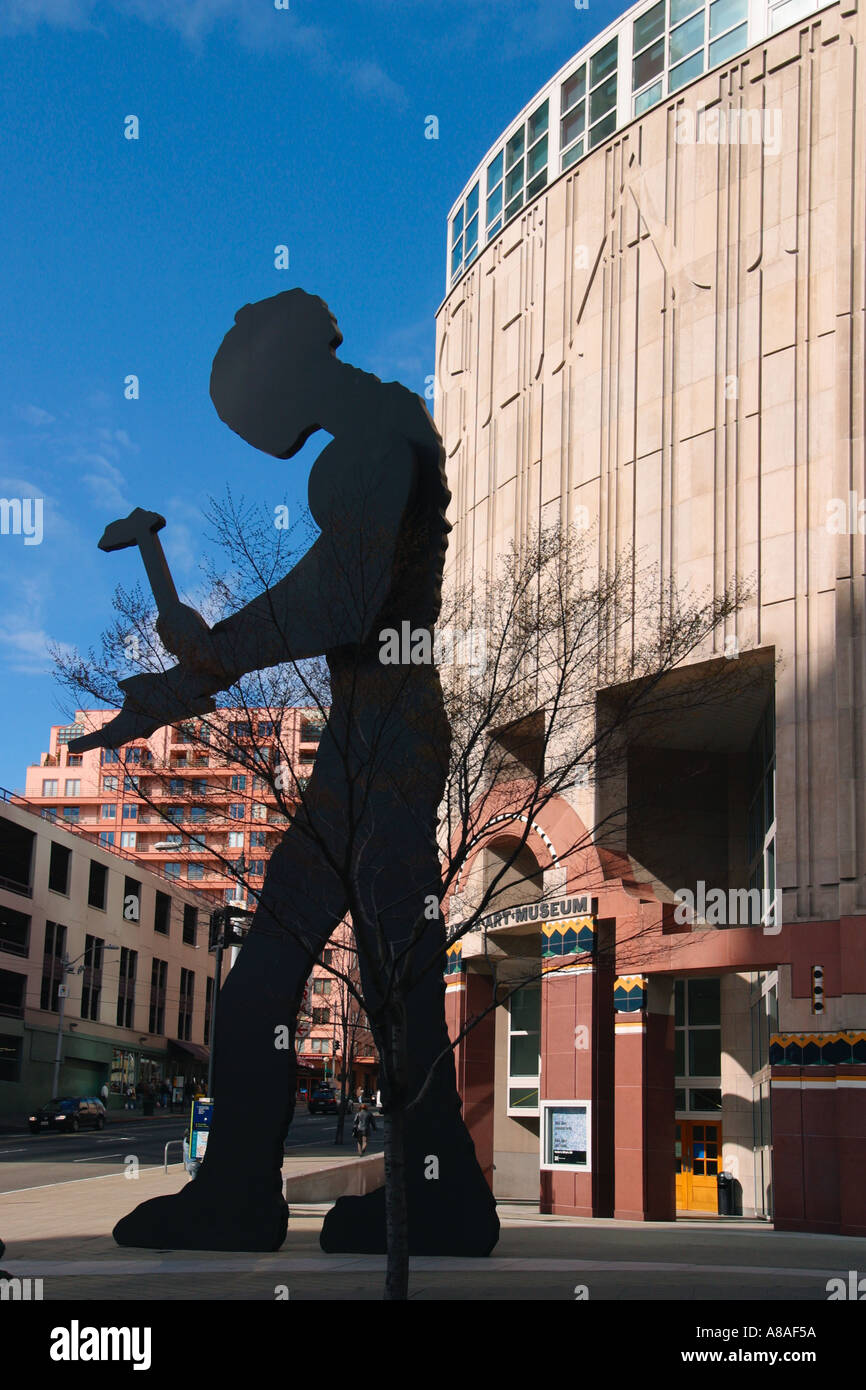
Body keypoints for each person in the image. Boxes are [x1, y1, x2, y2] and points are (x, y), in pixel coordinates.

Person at [72, 288, 500, 1260]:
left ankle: (303, 1196)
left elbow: (339, 594)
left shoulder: (375, 442)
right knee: (335, 975)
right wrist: (174, 689)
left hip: (384, 743)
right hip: (374, 735)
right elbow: (331, 598)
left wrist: (212, 653)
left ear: (283, 370)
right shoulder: (383, 430)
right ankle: (315, 1195)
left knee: (341, 974)